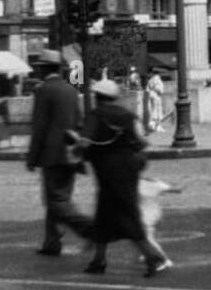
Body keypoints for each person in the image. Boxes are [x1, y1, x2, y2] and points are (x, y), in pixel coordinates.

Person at [73, 79, 171, 277]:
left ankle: (154, 257)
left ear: (98, 97)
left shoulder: (96, 115)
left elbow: (84, 143)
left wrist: (77, 149)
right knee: (105, 213)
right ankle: (98, 260)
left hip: (107, 171)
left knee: (126, 215)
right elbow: (142, 142)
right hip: (129, 170)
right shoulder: (127, 115)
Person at [26, 50, 92, 256]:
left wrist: (32, 157)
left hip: (52, 155)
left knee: (56, 202)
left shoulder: (43, 91)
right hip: (71, 154)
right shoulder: (71, 90)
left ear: (43, 69)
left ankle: (89, 229)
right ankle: (51, 242)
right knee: (59, 198)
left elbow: (40, 127)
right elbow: (80, 122)